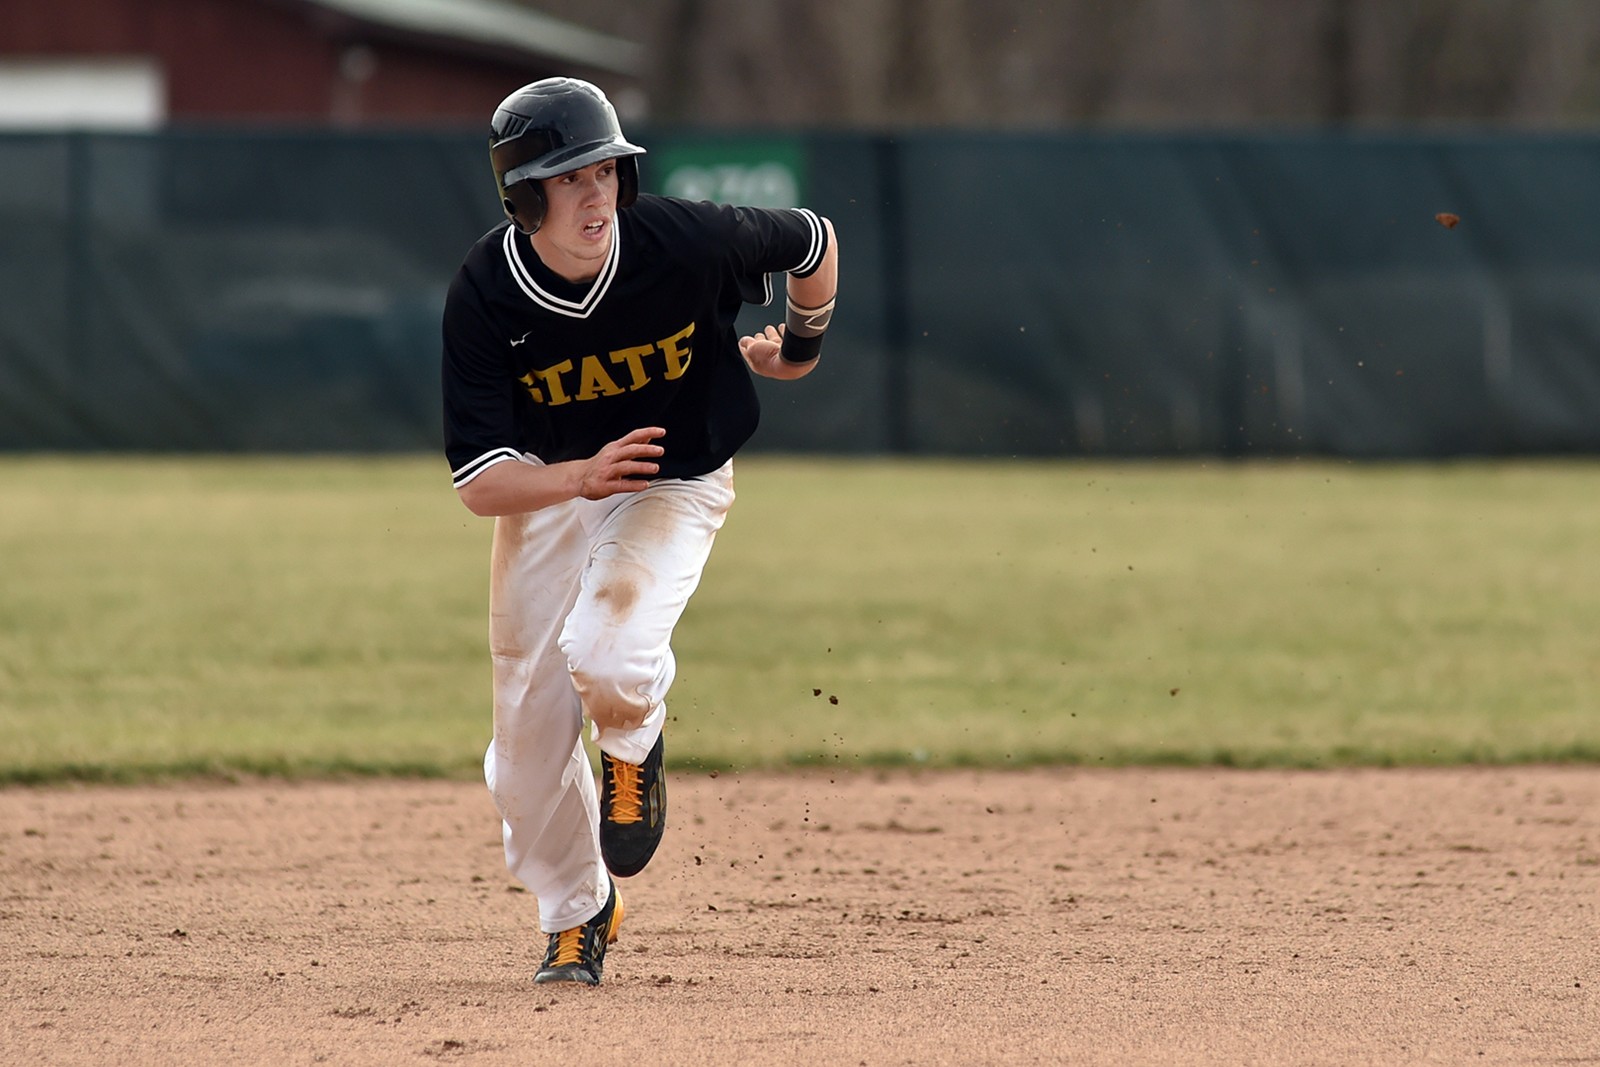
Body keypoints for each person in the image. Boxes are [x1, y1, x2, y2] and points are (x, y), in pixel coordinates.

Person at [440, 77, 838, 986]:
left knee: (613, 657)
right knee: (525, 759)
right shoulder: (486, 295)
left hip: (673, 475)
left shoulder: (679, 241)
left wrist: (804, 345)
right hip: (551, 490)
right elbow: (478, 483)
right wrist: (576, 477)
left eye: (608, 171)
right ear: (524, 196)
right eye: (570, 178)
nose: (597, 194)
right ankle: (580, 913)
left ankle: (632, 744)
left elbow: (813, 239)